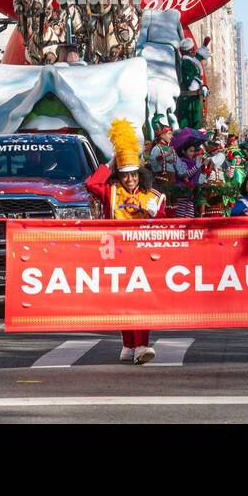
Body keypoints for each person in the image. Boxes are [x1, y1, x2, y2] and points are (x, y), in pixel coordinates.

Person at [85, 119, 163, 364]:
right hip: (116, 254)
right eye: (125, 175)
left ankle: (141, 344)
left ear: (140, 175)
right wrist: (110, 163)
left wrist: (155, 215)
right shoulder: (112, 192)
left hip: (142, 254)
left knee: (141, 299)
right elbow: (91, 184)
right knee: (121, 299)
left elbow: (165, 226)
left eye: (133, 175)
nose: (130, 180)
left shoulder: (153, 196)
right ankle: (128, 343)